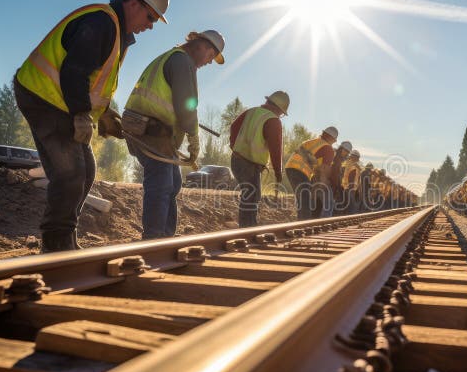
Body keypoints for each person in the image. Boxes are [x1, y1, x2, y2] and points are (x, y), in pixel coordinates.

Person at [14, 0, 169, 252]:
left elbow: (93, 78)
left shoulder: (115, 30)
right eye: (150, 17)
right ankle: (56, 244)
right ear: (134, 3)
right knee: (70, 173)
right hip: (44, 97)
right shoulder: (102, 23)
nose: (150, 25)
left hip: (60, 100)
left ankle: (65, 238)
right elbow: (74, 71)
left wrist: (105, 112)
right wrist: (82, 115)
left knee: (87, 172)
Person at [124, 30, 225, 239]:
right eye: (210, 56)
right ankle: (154, 238)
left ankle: (165, 235)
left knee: (173, 182)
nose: (209, 62)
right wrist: (193, 136)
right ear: (202, 46)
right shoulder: (182, 61)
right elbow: (186, 105)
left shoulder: (174, 57)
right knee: (161, 183)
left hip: (148, 128)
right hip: (152, 130)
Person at [228, 91, 288, 227]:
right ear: (279, 109)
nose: (280, 115)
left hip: (236, 160)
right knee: (252, 196)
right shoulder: (273, 120)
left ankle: (247, 227)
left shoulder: (251, 112)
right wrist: (278, 173)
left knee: (249, 194)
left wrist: (235, 147)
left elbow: (233, 127)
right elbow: (275, 149)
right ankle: (248, 229)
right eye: (282, 113)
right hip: (250, 164)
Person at [285, 127, 337, 219]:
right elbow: (324, 169)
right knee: (305, 201)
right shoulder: (328, 149)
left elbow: (314, 164)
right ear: (333, 139)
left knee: (302, 200)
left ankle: (301, 224)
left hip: (290, 167)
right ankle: (304, 227)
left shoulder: (311, 141)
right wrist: (322, 185)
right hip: (300, 171)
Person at [330, 141, 352, 215]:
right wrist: (337, 186)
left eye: (348, 152)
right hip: (330, 184)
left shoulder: (340, 159)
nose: (346, 154)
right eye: (346, 151)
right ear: (341, 149)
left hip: (334, 184)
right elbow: (334, 173)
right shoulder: (336, 158)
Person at [341, 149, 363, 214]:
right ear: (353, 156)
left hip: (351, 187)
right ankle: (350, 216)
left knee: (348, 203)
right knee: (352, 204)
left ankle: (346, 215)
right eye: (357, 157)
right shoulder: (351, 164)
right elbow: (348, 176)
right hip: (349, 186)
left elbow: (358, 177)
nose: (358, 159)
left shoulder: (353, 164)